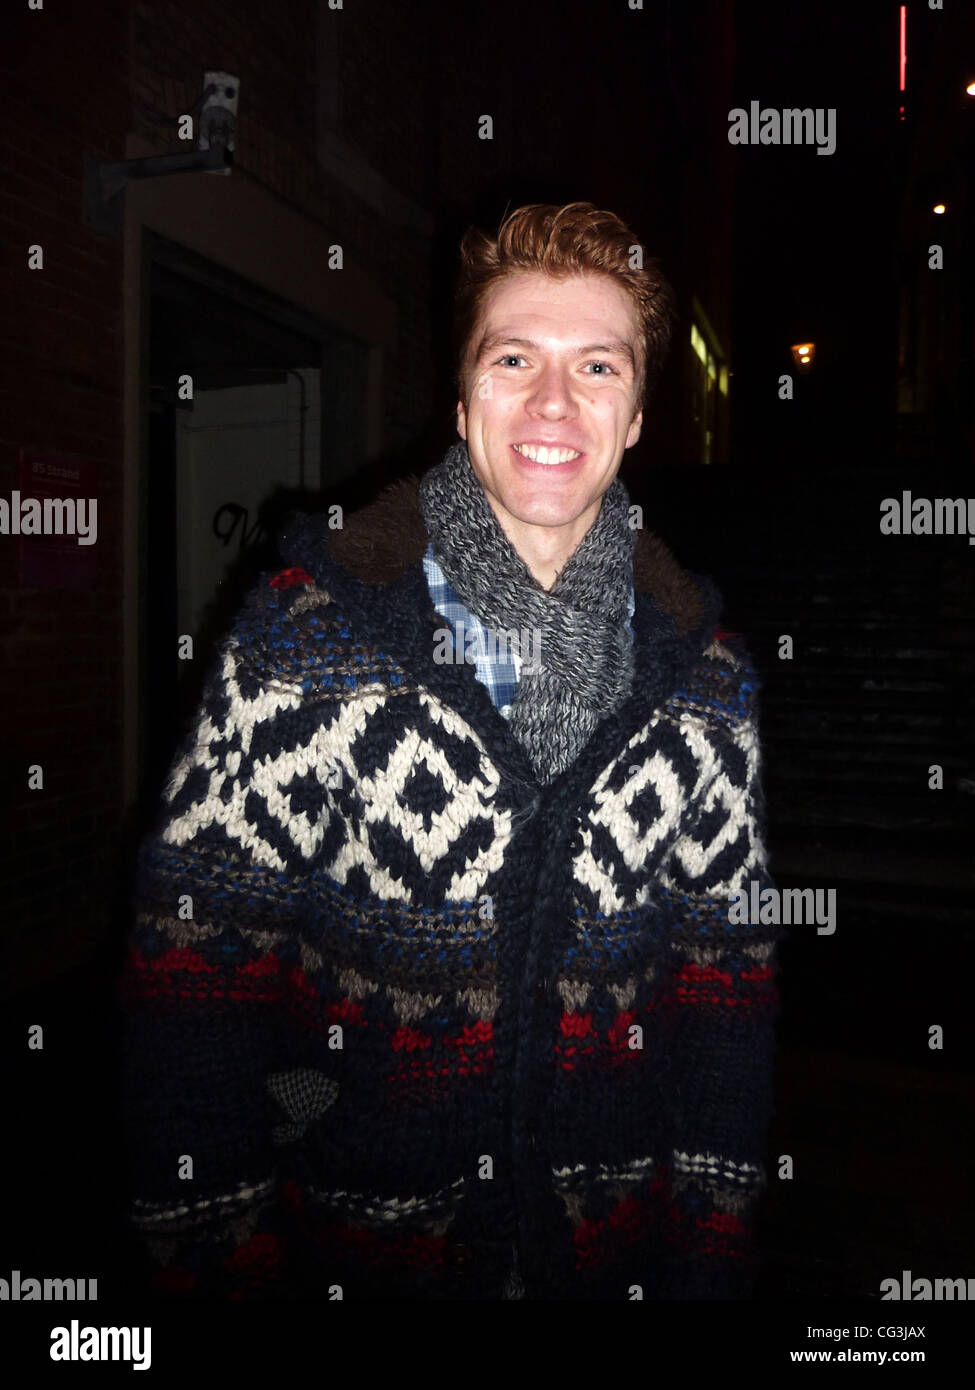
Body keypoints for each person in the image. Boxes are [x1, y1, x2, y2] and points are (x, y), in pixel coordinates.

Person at [120, 201, 782, 1300]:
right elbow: (194, 981)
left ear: (635, 418)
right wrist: (214, 1251)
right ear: (464, 403)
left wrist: (711, 1252)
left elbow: (727, 996)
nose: (553, 402)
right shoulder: (306, 640)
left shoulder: (709, 687)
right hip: (356, 1251)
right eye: (514, 356)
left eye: (599, 368)